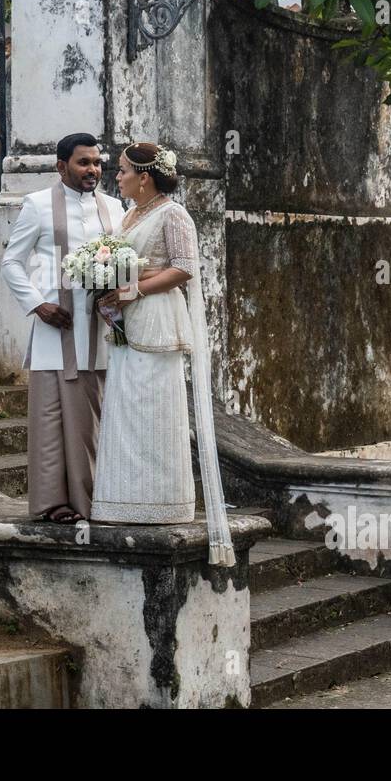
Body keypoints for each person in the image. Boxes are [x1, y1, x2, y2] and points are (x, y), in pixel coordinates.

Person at [92, 142, 235, 567]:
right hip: (125, 321)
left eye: (121, 171)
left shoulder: (174, 214)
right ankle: (123, 501)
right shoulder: (131, 214)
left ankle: (163, 503)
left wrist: (134, 287)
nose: (116, 178)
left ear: (145, 176)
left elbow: (185, 267)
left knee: (155, 408)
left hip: (156, 320)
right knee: (125, 409)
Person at [1, 133, 126, 524]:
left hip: (105, 332)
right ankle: (53, 504)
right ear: (61, 166)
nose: (93, 170)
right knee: (51, 420)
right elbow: (12, 262)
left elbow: (126, 263)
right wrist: (38, 305)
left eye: (97, 163)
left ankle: (100, 502)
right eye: (83, 163)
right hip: (57, 332)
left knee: (96, 422)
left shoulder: (115, 208)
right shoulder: (37, 205)